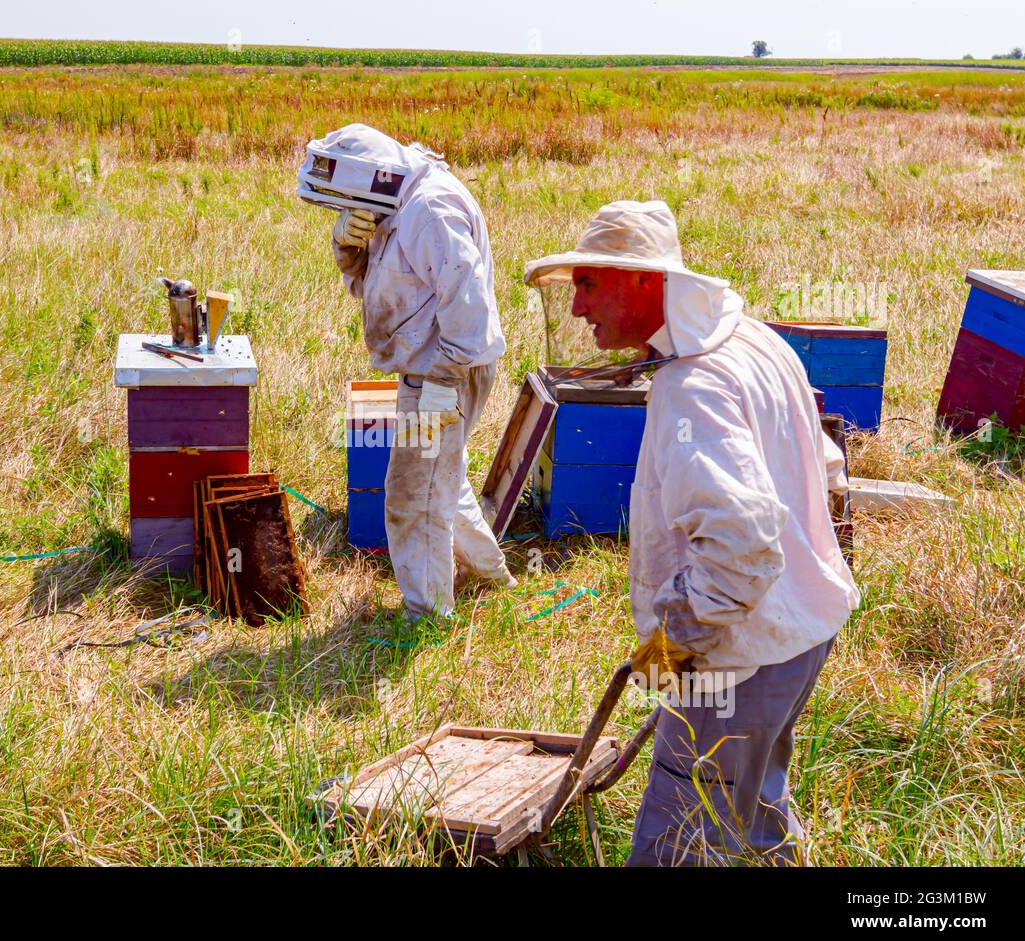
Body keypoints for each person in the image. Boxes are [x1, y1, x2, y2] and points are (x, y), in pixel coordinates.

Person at [524, 200, 860, 865]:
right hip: (801, 635)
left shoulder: (694, 386)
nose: (576, 308)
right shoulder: (753, 340)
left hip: (736, 664)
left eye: (589, 284)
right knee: (755, 815)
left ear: (645, 280)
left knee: (678, 844)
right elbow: (826, 470)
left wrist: (669, 654)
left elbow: (743, 546)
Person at [299, 124, 515, 619]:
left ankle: (428, 616)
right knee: (441, 477)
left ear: (374, 179)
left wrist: (441, 385)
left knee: (412, 498)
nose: (349, 214)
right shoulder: (395, 200)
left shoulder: (430, 211)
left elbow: (470, 310)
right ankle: (490, 573)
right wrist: (348, 248)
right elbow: (377, 288)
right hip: (429, 371)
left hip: (446, 373)